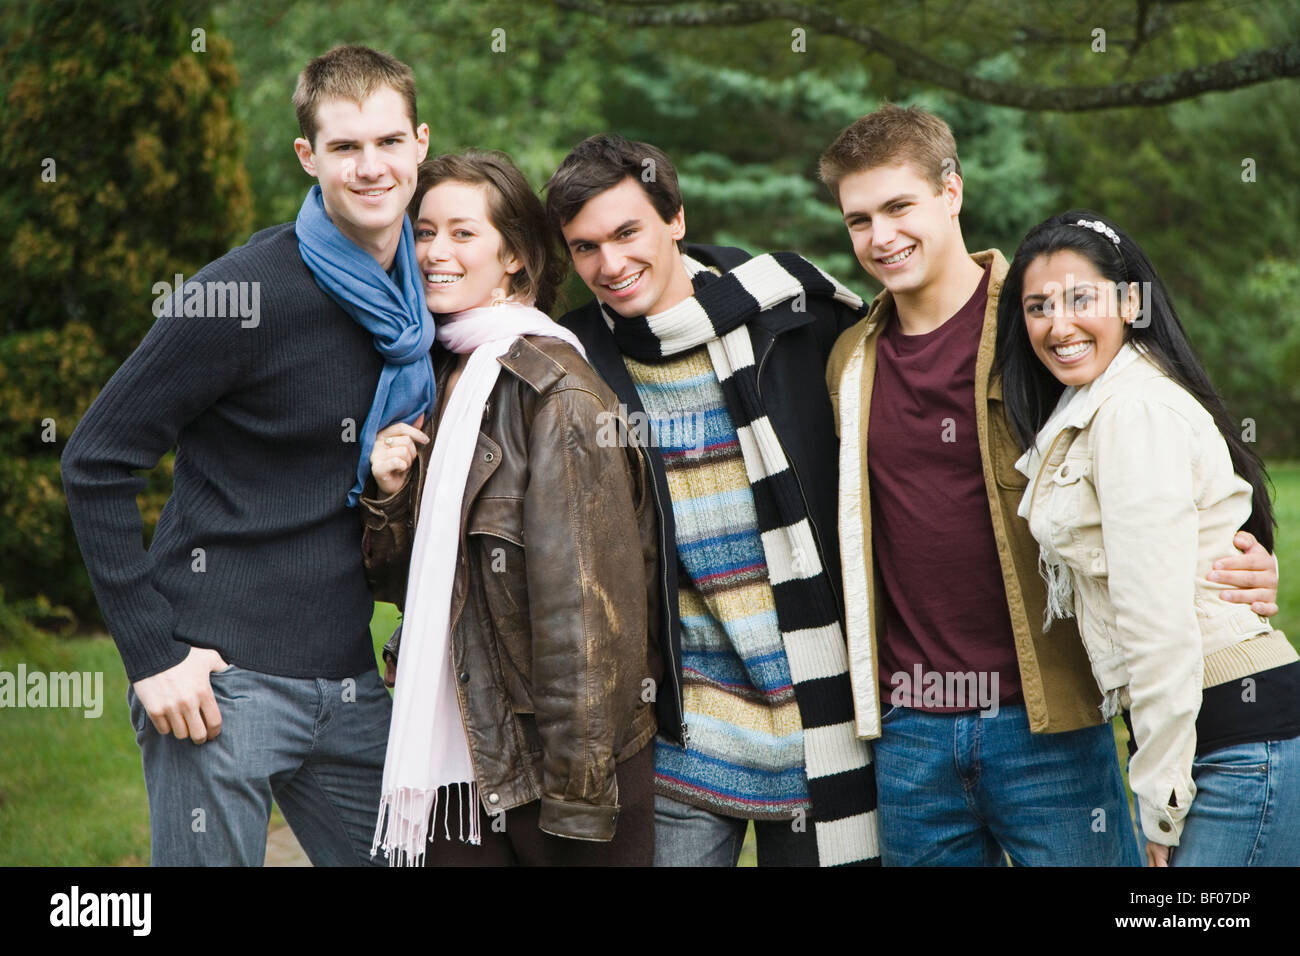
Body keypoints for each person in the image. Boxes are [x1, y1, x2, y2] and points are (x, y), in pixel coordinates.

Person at [820, 104, 1282, 866]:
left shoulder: (1046, 323)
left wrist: (1240, 556)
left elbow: (1173, 443)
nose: (880, 237)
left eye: (900, 206)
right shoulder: (850, 360)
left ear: (952, 192)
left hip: (1049, 721)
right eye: (858, 220)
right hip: (911, 731)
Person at [60, 45, 430, 866]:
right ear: (308, 156)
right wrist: (153, 656)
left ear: (420, 146)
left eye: (388, 142)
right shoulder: (245, 293)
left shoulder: (419, 298)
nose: (371, 167)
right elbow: (93, 460)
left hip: (348, 675)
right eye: (344, 147)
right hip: (219, 681)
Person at [547, 134, 879, 867]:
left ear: (675, 219)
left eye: (627, 232)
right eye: (585, 247)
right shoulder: (573, 367)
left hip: (823, 724)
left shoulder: (795, 317)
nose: (610, 264)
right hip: (682, 737)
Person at [360, 150, 661, 866]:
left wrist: (581, 798)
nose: (435, 251)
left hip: (553, 767)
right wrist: (390, 496)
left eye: (463, 234)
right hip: (460, 748)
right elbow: (404, 587)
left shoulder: (554, 392)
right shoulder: (434, 375)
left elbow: (585, 617)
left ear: (516, 261)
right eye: (424, 231)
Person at [996, 210, 1300, 867]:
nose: (1058, 324)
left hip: (1235, 741)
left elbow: (1155, 621)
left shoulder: (1130, 412)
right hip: (1222, 732)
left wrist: (1161, 801)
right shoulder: (1101, 405)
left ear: (1131, 301)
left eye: (1082, 298)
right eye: (1038, 306)